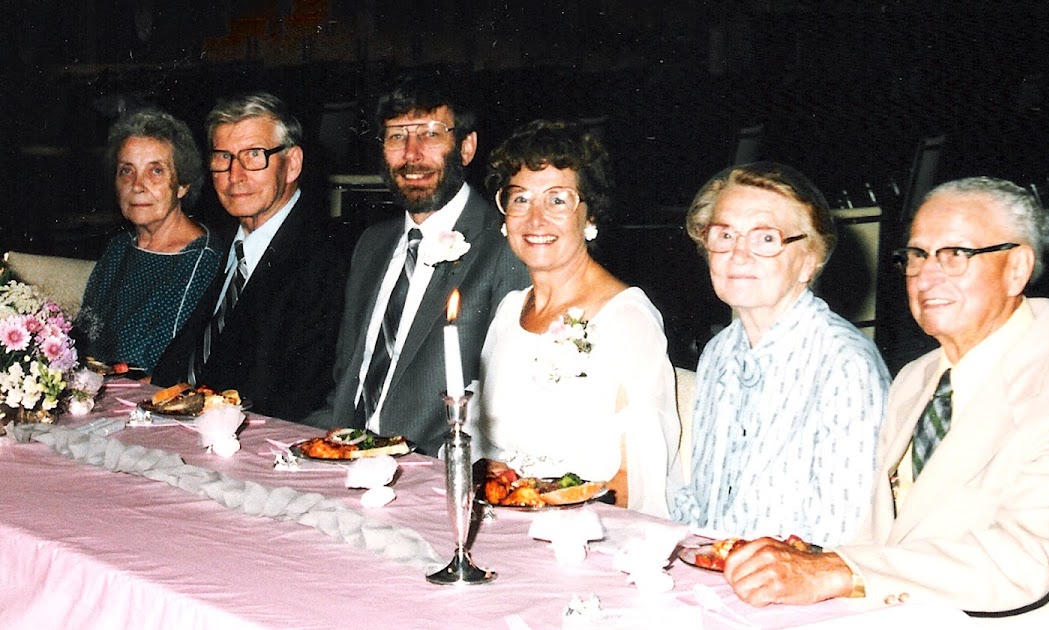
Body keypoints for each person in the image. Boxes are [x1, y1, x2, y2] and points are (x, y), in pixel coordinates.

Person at [723, 177, 1049, 624]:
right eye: (917, 255)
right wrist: (811, 557)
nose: (926, 276)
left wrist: (839, 570)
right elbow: (890, 533)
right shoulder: (919, 377)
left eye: (956, 255)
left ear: (1017, 269)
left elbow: (1018, 563)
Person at [302, 78, 527, 454]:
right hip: (338, 452)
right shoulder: (371, 245)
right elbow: (347, 383)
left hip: (428, 469)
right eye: (395, 137)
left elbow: (508, 413)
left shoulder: (505, 246)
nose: (411, 154)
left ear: (466, 147)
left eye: (431, 134)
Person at [669, 162, 889, 544]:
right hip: (714, 569)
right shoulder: (720, 352)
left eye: (765, 239)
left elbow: (843, 536)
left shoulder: (844, 364)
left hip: (796, 589)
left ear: (809, 260)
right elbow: (704, 503)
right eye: (724, 235)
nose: (738, 255)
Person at [470, 120, 680, 517]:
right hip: (504, 520)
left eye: (558, 200)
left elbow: (634, 482)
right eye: (520, 199)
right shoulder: (510, 310)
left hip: (581, 538)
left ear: (591, 215)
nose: (535, 219)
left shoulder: (625, 318)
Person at [153, 92, 348, 421]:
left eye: (254, 155)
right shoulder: (230, 242)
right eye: (223, 157)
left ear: (293, 164)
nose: (235, 175)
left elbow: (296, 397)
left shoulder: (325, 258)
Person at [78, 108, 221, 374]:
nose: (137, 185)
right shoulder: (119, 248)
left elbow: (162, 369)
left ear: (182, 185)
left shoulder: (201, 260)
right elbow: (84, 336)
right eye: (126, 171)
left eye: (155, 171)